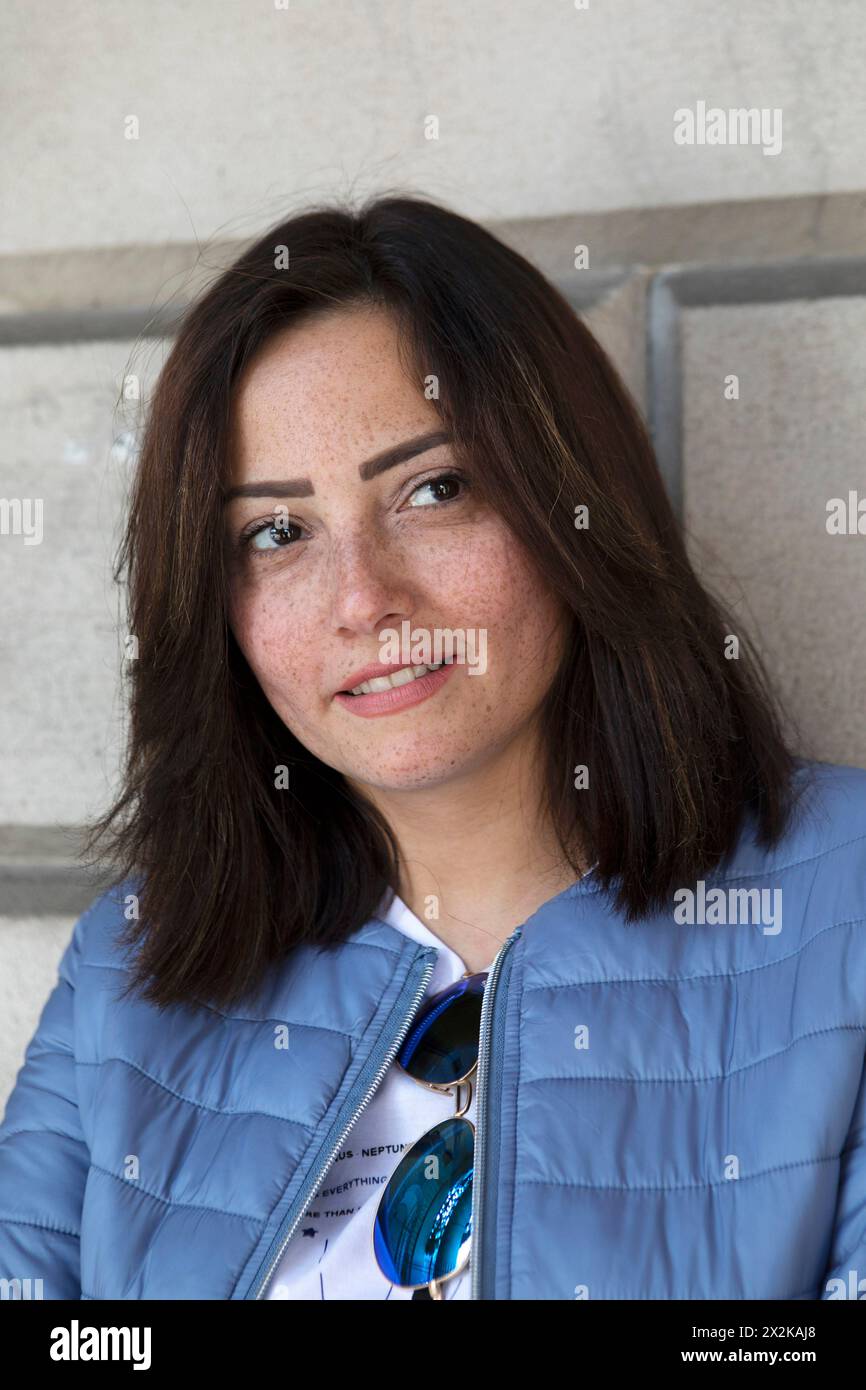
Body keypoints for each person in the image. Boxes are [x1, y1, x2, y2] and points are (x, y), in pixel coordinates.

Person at [1, 193, 865, 1301]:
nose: (363, 599)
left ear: (568, 501)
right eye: (276, 532)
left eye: (432, 489)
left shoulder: (842, 905)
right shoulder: (128, 970)